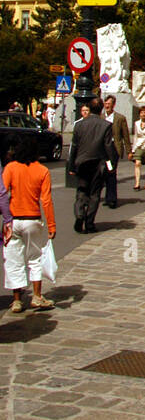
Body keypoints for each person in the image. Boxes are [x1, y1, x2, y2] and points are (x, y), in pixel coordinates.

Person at [3, 136, 57, 312]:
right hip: (32, 219)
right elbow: (46, 200)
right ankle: (36, 296)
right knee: (34, 258)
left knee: (13, 260)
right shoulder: (42, 170)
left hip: (13, 219)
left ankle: (17, 300)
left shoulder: (10, 168)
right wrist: (51, 225)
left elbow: (3, 194)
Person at [68, 97, 118, 233]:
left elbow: (74, 147)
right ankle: (89, 223)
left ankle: (79, 214)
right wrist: (112, 165)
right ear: (101, 108)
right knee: (95, 194)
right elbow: (109, 147)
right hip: (98, 164)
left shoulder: (79, 125)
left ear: (89, 108)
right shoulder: (106, 125)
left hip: (82, 163)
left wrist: (71, 166)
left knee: (81, 190)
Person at [102, 95, 132, 208]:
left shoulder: (120, 118)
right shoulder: (100, 117)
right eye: (105, 104)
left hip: (113, 149)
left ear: (113, 105)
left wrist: (129, 151)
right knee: (104, 173)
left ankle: (112, 199)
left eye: (109, 104)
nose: (107, 106)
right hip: (103, 150)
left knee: (111, 172)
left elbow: (125, 136)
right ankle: (107, 197)